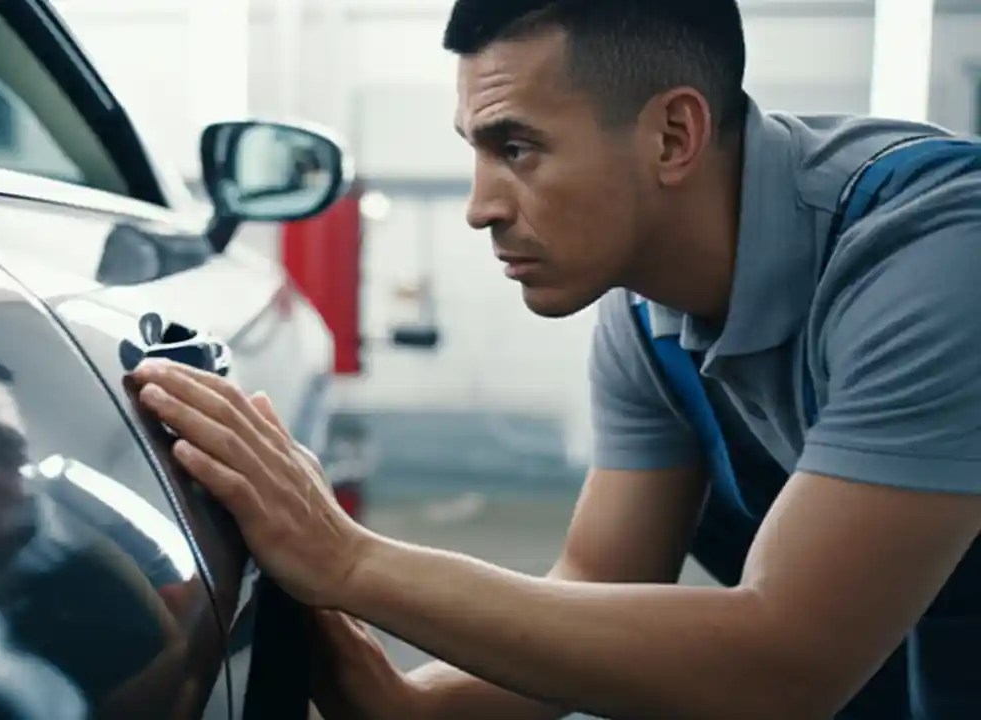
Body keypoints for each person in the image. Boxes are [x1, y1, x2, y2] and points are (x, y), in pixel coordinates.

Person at [131, 0, 981, 717]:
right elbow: (597, 579)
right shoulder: (648, 316)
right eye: (476, 149)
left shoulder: (939, 260)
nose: (478, 207)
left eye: (517, 149)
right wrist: (408, 703)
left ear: (673, 135)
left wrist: (350, 562)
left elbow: (784, 663)